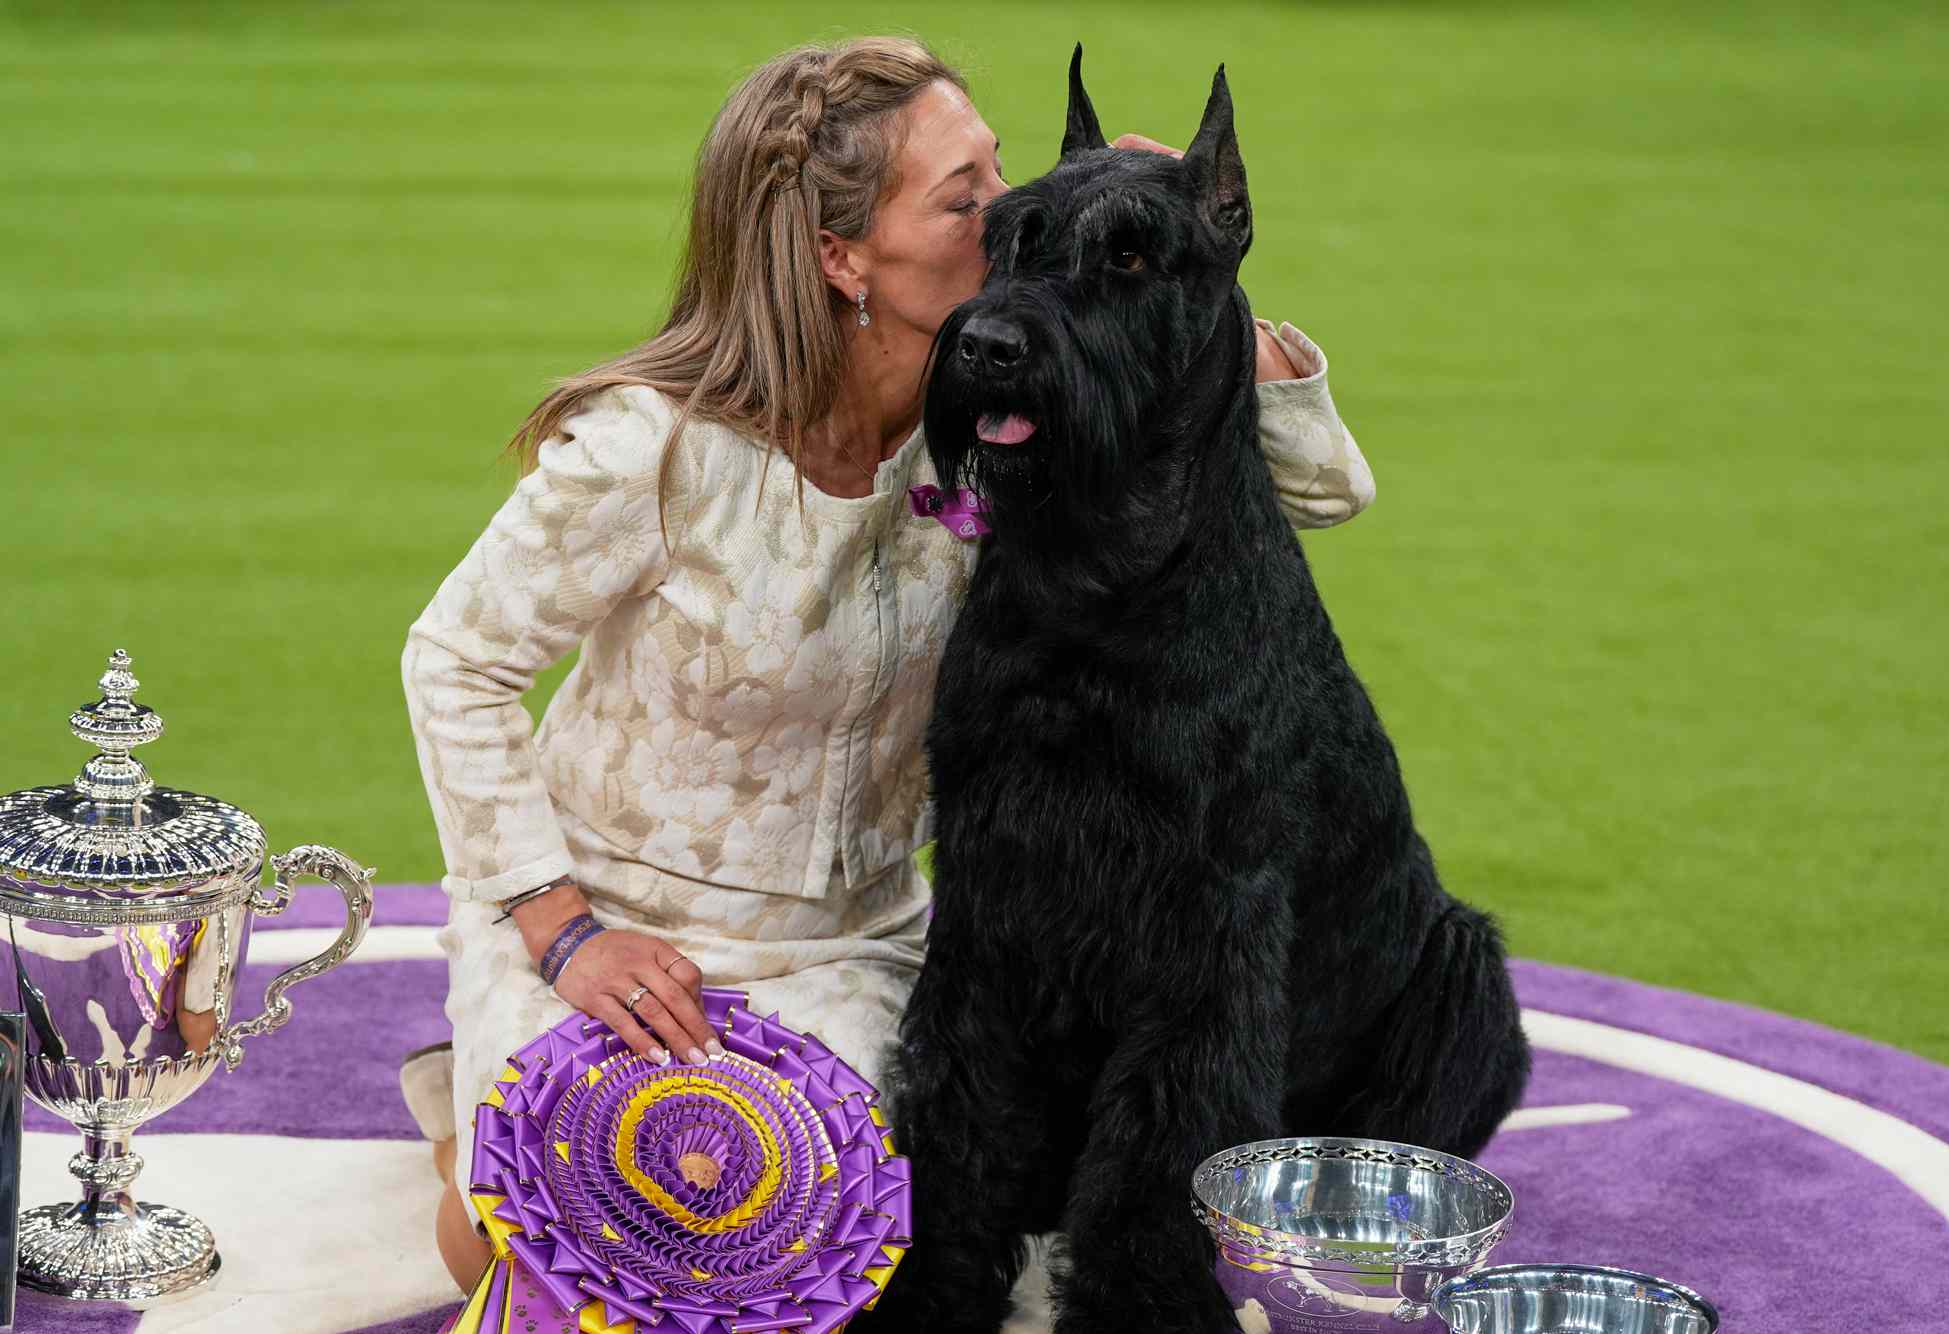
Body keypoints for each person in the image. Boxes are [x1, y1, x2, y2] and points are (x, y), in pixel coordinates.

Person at [398, 34, 1375, 1306]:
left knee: (819, 1255)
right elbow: (455, 658)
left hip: (850, 947)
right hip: (612, 922)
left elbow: (1320, 489)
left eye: (1006, 177)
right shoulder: (648, 447)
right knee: (596, 1236)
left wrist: (1169, 254)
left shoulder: (1006, 423)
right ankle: (474, 1123)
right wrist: (558, 925)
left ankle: (483, 1119)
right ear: (841, 256)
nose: (1011, 215)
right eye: (967, 199)